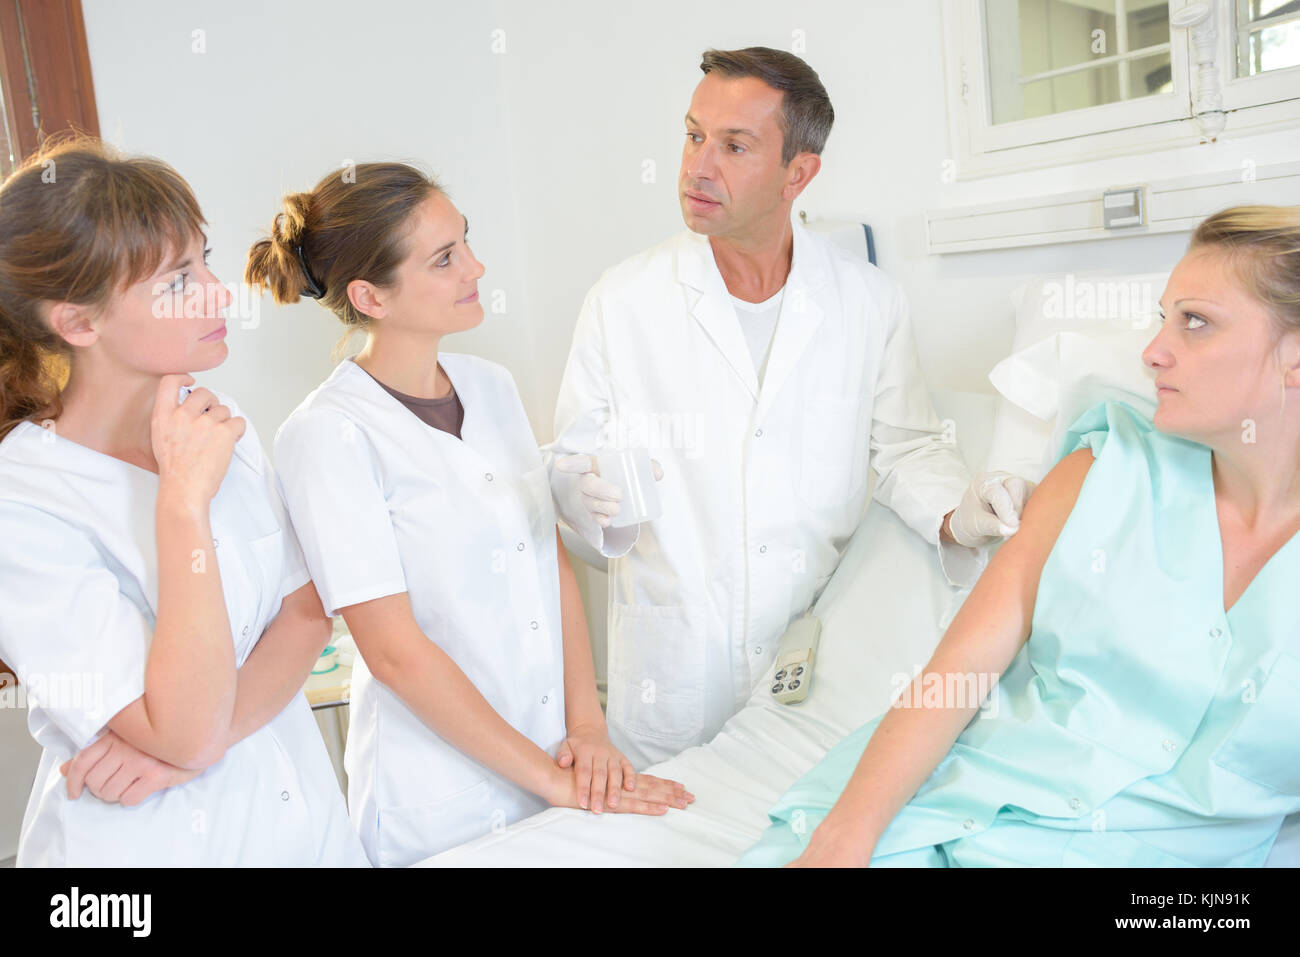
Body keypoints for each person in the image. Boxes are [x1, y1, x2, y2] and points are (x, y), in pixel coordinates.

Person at [739, 205, 1300, 867]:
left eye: (1196, 321)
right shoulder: (1101, 468)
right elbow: (953, 679)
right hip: (951, 813)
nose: (1154, 350)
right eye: (1163, 316)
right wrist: (845, 837)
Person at [545, 47, 1034, 768]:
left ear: (798, 174)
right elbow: (572, 473)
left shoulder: (866, 301)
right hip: (672, 676)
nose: (697, 166)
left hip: (811, 667)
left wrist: (958, 515)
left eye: (734, 146)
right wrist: (579, 493)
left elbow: (906, 447)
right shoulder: (623, 301)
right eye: (692, 135)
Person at [249, 162, 693, 868]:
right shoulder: (327, 434)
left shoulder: (493, 386)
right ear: (371, 294)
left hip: (558, 764)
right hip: (439, 800)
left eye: (467, 243)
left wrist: (587, 728)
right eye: (445, 258)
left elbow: (548, 561)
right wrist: (553, 778)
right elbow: (394, 652)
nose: (476, 267)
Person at [0, 135, 368, 866]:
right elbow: (184, 725)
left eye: (204, 258)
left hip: (306, 832)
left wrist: (182, 753)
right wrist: (182, 505)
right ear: (78, 322)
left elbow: (302, 616)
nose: (218, 291)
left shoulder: (213, 412)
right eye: (178, 280)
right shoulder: (24, 497)